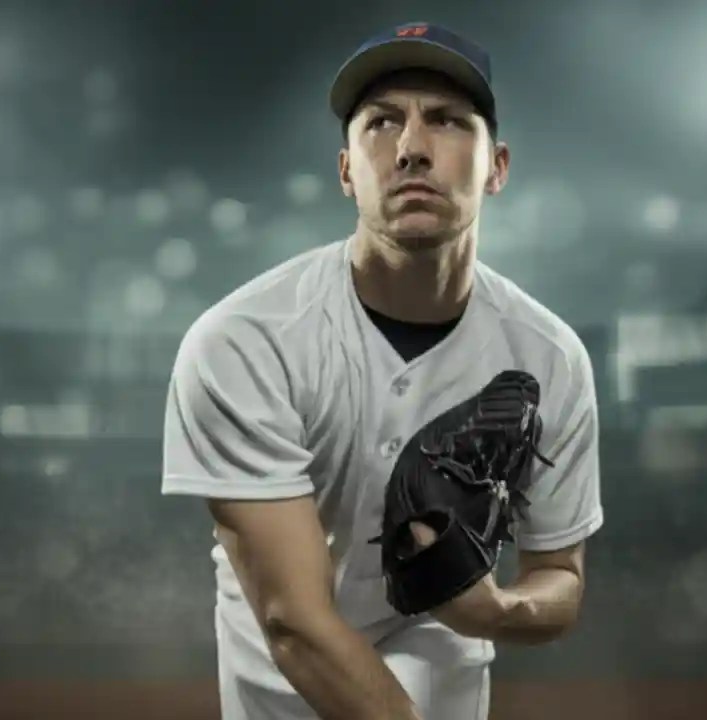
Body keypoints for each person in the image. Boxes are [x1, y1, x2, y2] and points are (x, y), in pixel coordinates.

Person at [161, 21, 603, 720]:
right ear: (346, 171)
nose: (412, 150)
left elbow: (560, 577)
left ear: (498, 167)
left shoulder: (548, 357)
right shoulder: (245, 342)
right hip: (281, 687)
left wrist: (496, 607)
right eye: (382, 123)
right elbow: (292, 621)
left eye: (449, 122)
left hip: (442, 662)